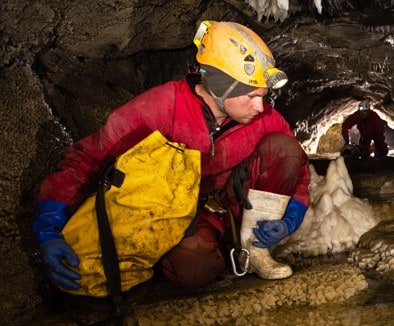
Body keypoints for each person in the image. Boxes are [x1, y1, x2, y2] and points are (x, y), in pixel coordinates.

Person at [32, 20, 310, 297]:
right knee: (194, 271)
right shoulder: (160, 107)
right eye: (251, 96)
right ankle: (178, 254)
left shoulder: (263, 119)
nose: (260, 107)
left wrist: (290, 219)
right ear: (223, 88)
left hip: (228, 205)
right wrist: (49, 225)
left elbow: (299, 168)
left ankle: (255, 249)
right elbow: (88, 158)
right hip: (172, 211)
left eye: (263, 96)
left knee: (285, 148)